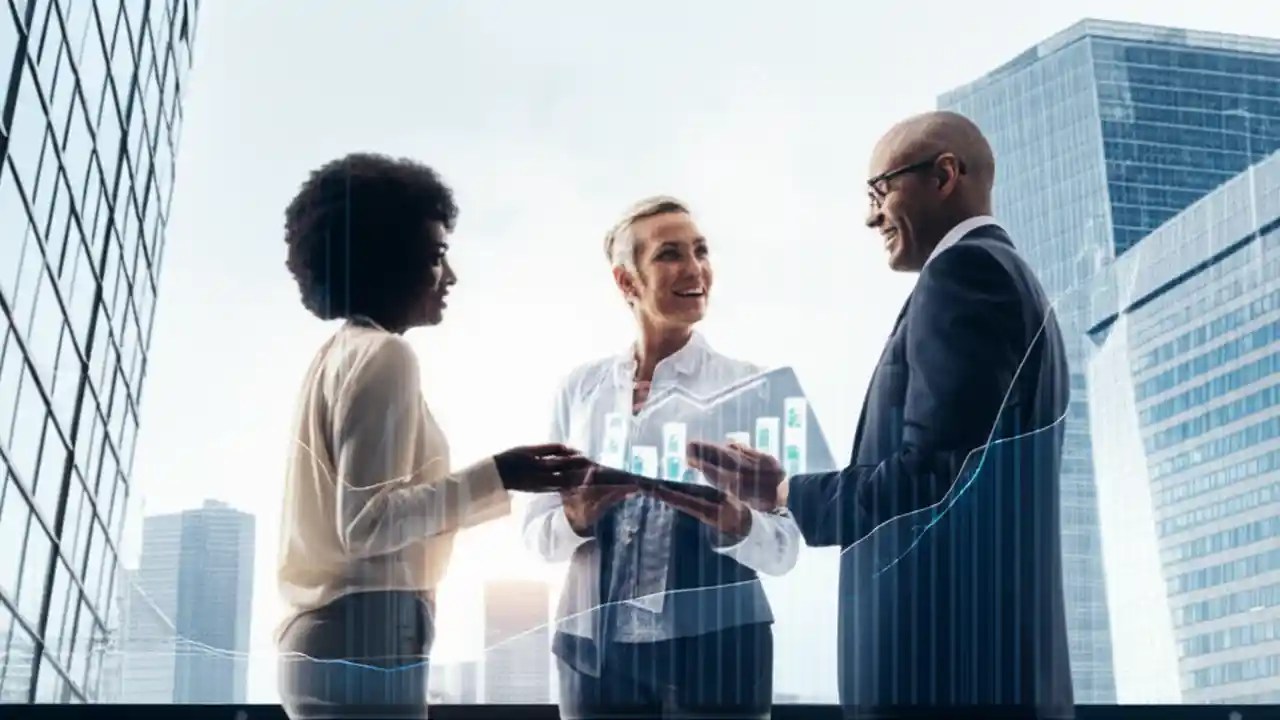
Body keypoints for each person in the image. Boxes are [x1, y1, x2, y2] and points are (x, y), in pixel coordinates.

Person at [689, 112, 1075, 719]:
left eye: (881, 190)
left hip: (945, 678)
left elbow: (930, 476)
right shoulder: (1007, 279)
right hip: (984, 672)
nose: (871, 216)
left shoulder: (963, 275)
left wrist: (782, 490)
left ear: (944, 174)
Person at [274, 153, 590, 720]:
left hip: (335, 638)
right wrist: (502, 474)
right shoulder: (387, 356)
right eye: (437, 256)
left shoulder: (339, 356)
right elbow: (367, 525)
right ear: (389, 259)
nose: (451, 276)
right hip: (365, 636)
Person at [522, 196, 801, 719]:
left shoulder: (754, 386)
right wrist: (576, 518)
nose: (695, 268)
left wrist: (739, 524)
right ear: (626, 282)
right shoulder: (579, 391)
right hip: (593, 656)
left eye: (701, 250)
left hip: (720, 654)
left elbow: (786, 548)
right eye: (670, 254)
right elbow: (535, 536)